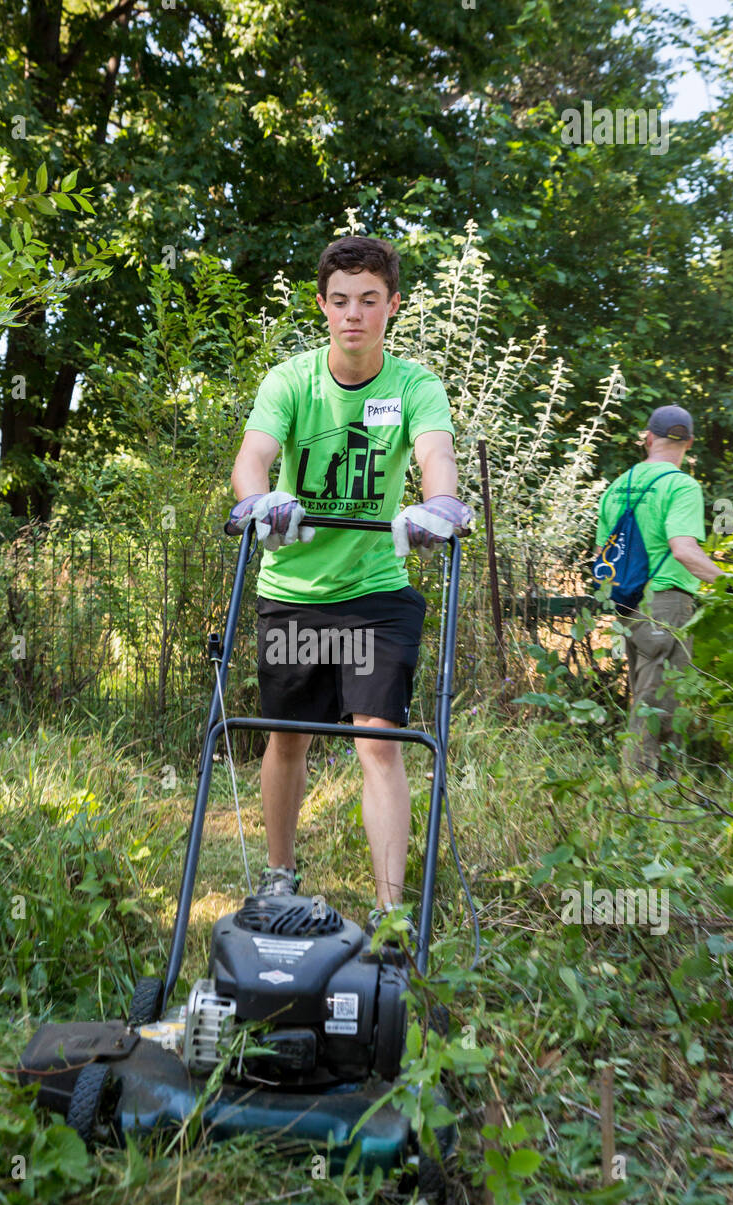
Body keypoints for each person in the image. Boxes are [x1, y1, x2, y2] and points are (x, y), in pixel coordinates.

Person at [225, 235, 472, 931]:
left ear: (393, 306)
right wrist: (261, 501)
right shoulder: (292, 381)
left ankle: (392, 910)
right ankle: (278, 875)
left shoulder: (414, 385)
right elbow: (254, 457)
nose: (353, 315)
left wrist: (438, 505)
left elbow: (436, 454)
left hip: (374, 591)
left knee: (380, 740)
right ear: (322, 306)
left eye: (369, 301)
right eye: (340, 302)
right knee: (287, 737)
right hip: (296, 592)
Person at [595, 404, 722, 771]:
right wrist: (732, 587)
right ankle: (643, 794)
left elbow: (604, 557)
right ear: (690, 442)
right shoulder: (681, 486)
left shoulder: (618, 486)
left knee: (646, 694)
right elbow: (684, 550)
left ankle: (659, 794)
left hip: (628, 604)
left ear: (648, 439)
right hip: (667, 604)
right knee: (660, 705)